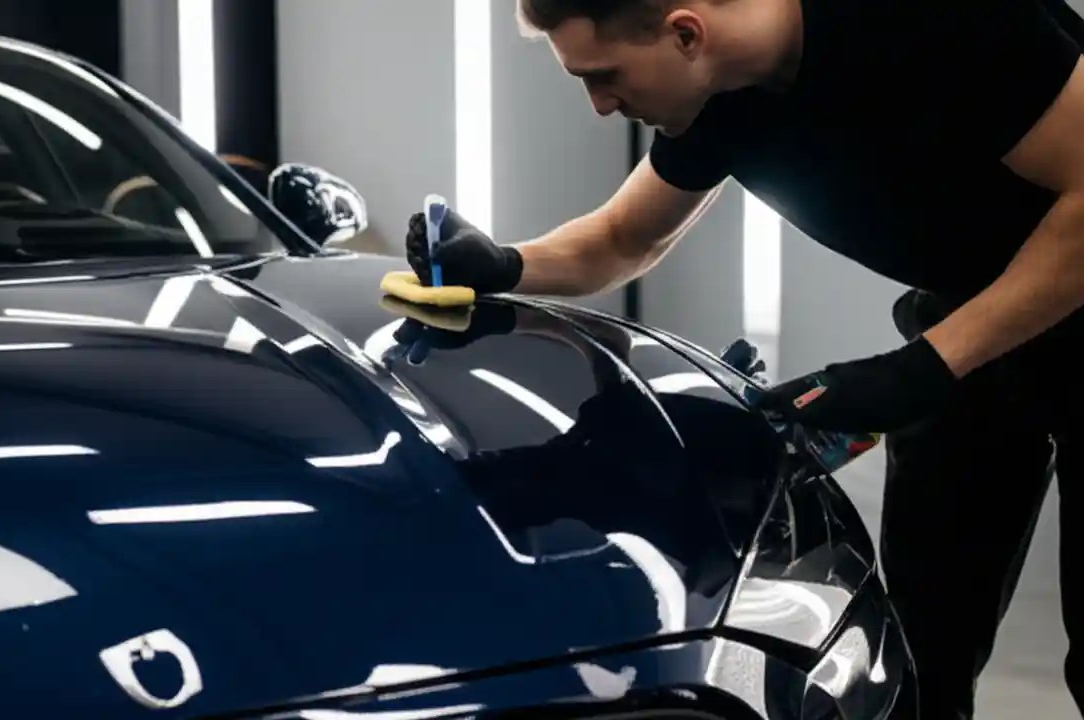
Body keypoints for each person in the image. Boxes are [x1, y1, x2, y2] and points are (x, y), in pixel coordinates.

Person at [401, 0, 1084, 716]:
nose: (601, 106)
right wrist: (504, 263)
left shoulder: (940, 21)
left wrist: (924, 368)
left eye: (603, 76)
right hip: (978, 313)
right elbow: (622, 238)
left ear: (686, 32)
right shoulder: (723, 98)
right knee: (921, 643)